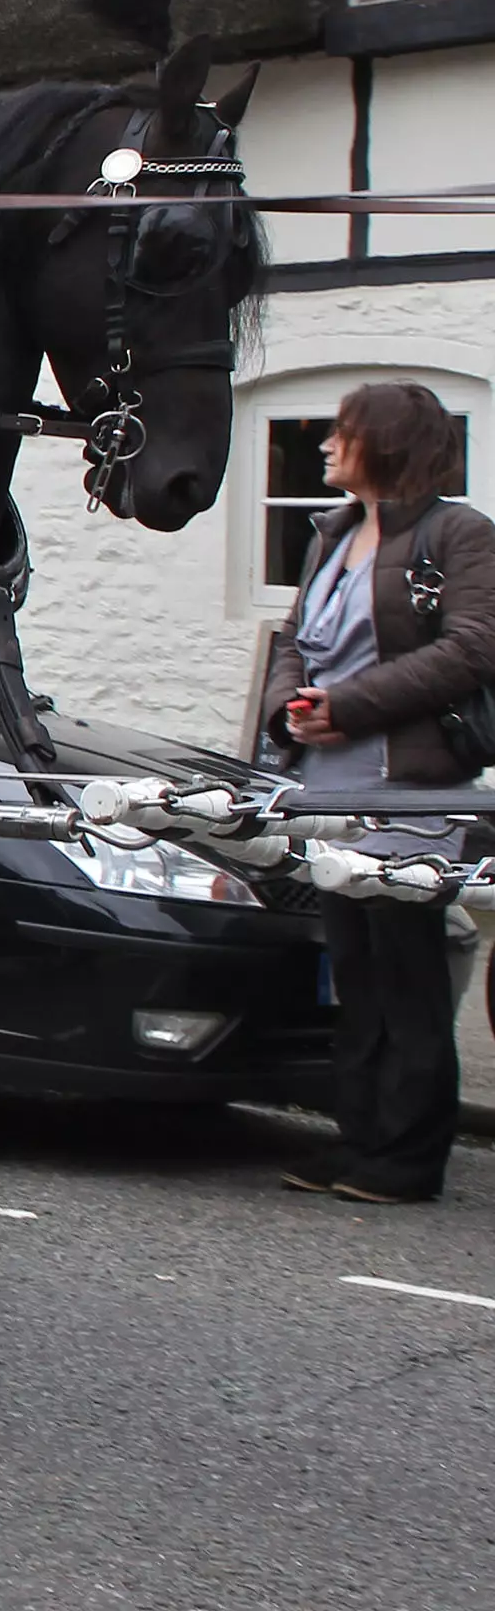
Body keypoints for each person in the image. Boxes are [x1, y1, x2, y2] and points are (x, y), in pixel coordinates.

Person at [260, 381, 495, 1204]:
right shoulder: (332, 533)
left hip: (411, 793)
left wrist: (348, 708)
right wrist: (290, 712)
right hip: (327, 785)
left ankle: (409, 1157)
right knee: (353, 975)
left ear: (387, 441)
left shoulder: (457, 532)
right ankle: (359, 1140)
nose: (324, 445)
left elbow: (470, 651)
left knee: (408, 976)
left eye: (342, 432)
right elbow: (294, 641)